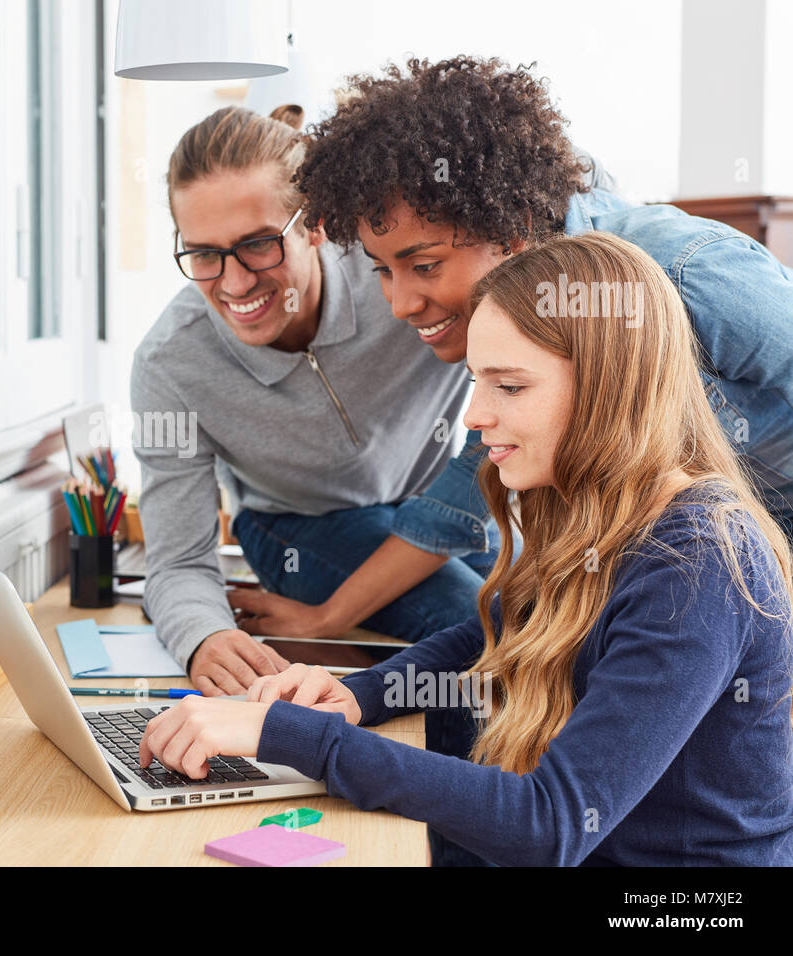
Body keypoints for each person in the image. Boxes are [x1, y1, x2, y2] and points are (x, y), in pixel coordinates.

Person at [138, 232, 793, 866]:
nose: (475, 416)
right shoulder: (597, 514)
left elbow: (551, 823)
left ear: (607, 389)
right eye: (477, 381)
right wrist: (356, 696)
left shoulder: (697, 562)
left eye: (509, 387)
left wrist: (290, 737)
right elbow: (491, 633)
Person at [132, 104, 508, 704]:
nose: (233, 284)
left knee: (555, 619)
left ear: (316, 225)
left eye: (258, 244)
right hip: (301, 528)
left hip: (439, 507)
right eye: (203, 254)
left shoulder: (397, 270)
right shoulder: (169, 366)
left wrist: (332, 615)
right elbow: (177, 561)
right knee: (485, 631)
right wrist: (202, 637)